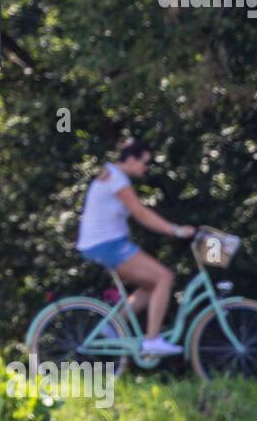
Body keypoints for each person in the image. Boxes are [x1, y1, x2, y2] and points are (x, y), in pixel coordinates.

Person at [75, 139, 195, 355]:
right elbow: (140, 213)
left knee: (152, 285)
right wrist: (175, 230)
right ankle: (152, 340)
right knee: (164, 277)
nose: (146, 168)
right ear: (130, 159)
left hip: (102, 244)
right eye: (144, 162)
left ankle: (113, 327)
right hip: (107, 245)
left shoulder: (111, 173)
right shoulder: (117, 179)